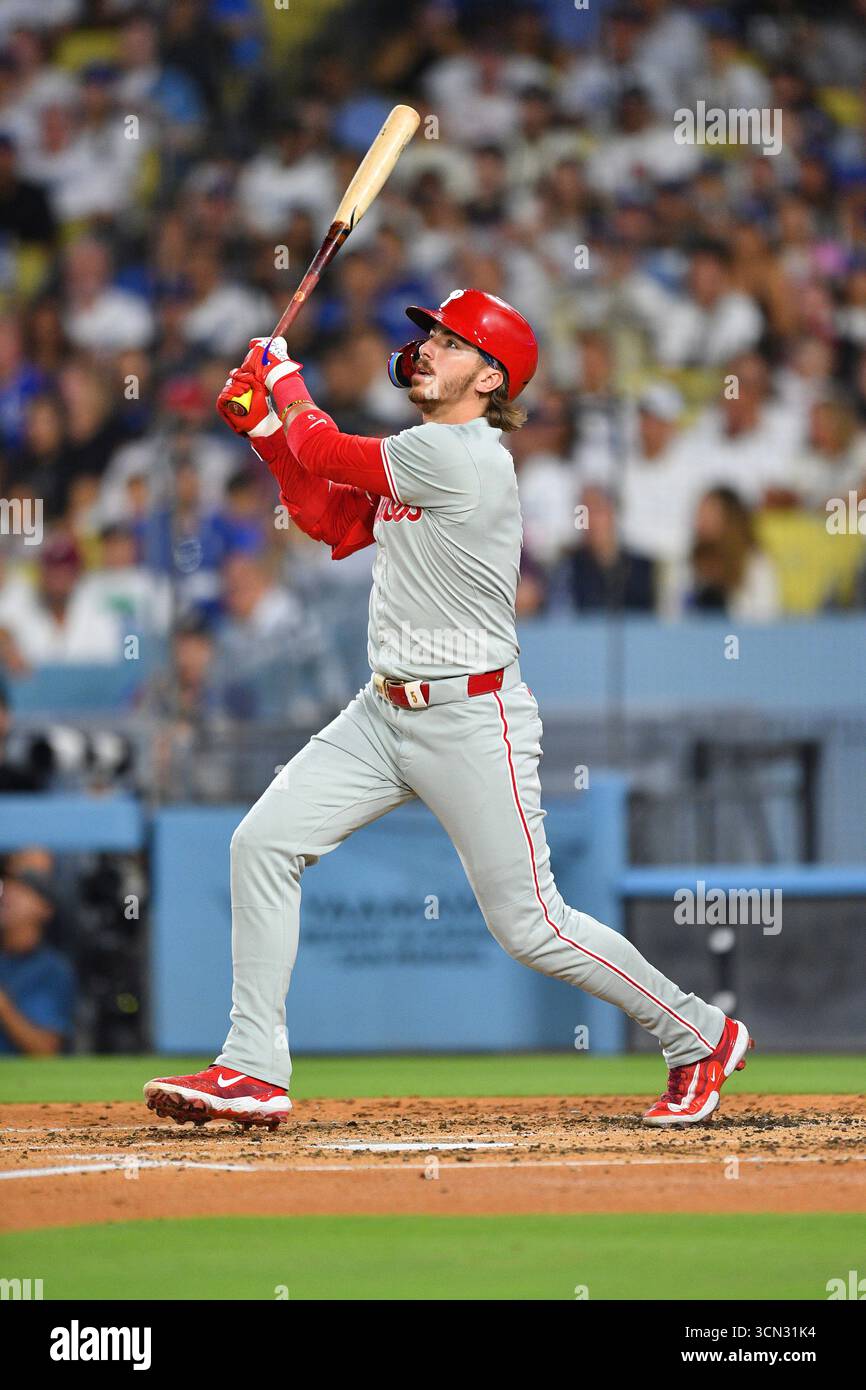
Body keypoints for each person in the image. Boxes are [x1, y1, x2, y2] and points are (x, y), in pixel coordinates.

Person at [145, 289, 752, 1131]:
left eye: (451, 340)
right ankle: (252, 1067)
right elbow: (328, 517)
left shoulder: (464, 455)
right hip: (382, 710)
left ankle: (700, 1033)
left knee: (533, 927)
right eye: (428, 334)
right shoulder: (423, 454)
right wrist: (262, 432)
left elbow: (321, 444)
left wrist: (281, 387)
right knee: (262, 845)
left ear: (490, 376)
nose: (427, 347)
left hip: (472, 717)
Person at [0, 866, 75, 1055]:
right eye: (6, 888)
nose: (8, 895)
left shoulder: (51, 969)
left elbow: (44, 1049)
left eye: (22, 890)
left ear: (45, 908)